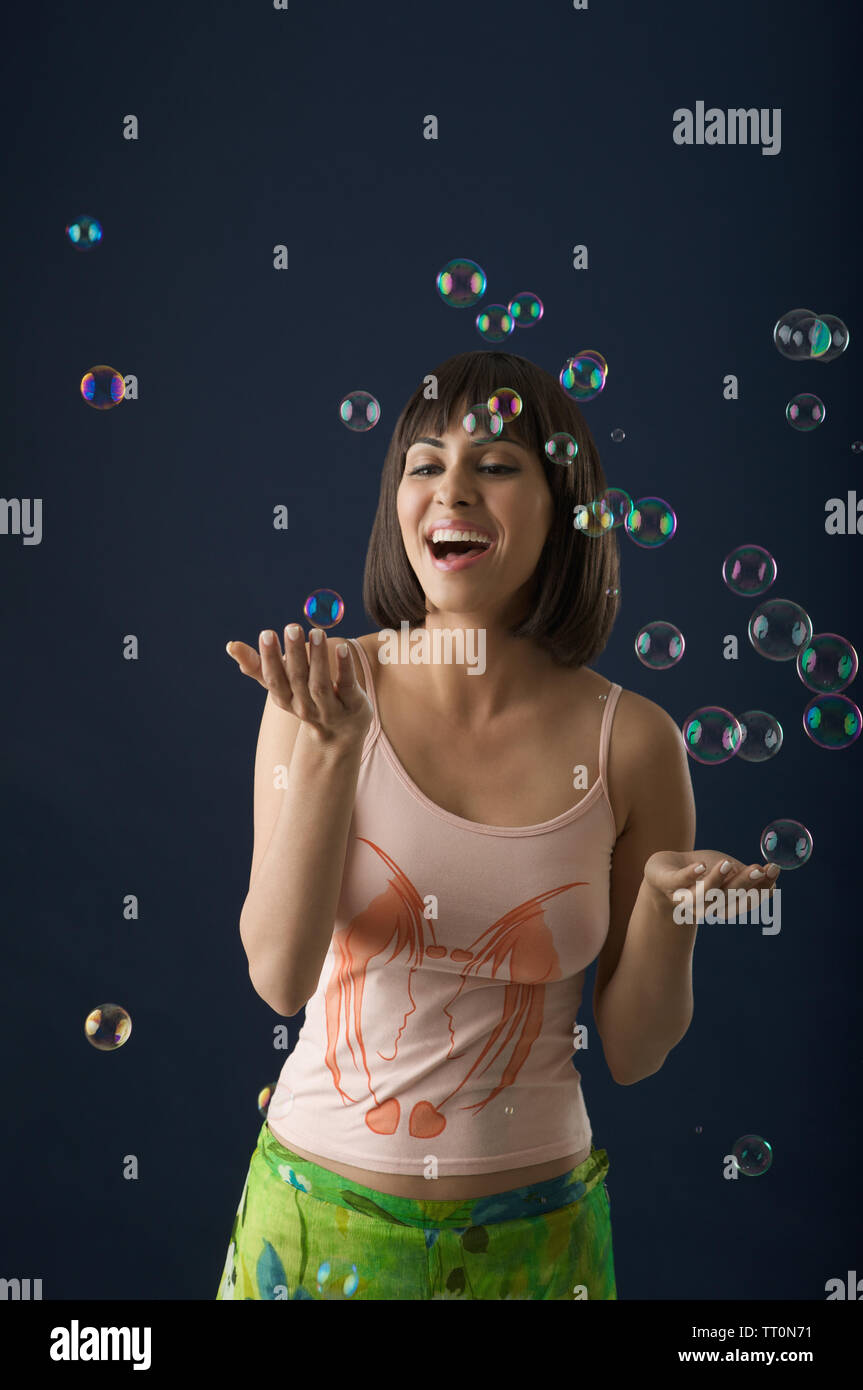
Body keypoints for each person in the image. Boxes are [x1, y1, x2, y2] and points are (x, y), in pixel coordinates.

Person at [217, 349, 780, 1301]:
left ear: (562, 506)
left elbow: (636, 1054)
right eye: (425, 464)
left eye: (497, 464)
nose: (453, 491)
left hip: (536, 1246)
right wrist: (328, 752)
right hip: (312, 1230)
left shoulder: (631, 743)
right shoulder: (320, 695)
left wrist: (667, 912)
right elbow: (277, 978)